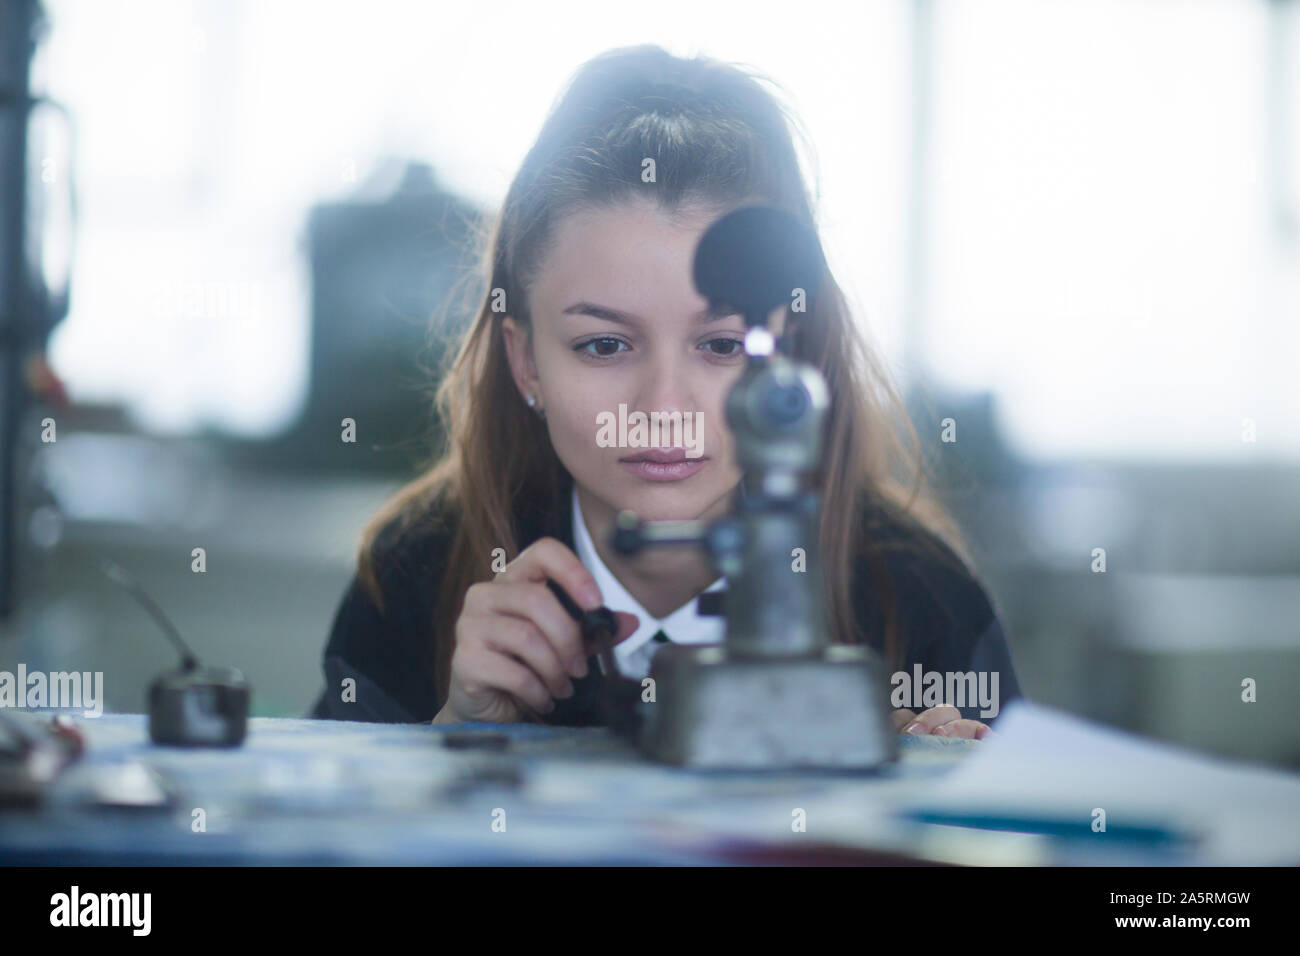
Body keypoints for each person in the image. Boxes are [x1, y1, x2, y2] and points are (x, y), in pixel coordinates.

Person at [309, 44, 1024, 738]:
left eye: (722, 346)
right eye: (605, 345)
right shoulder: (416, 573)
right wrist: (450, 736)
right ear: (526, 362)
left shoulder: (923, 597)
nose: (661, 412)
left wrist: (916, 802)